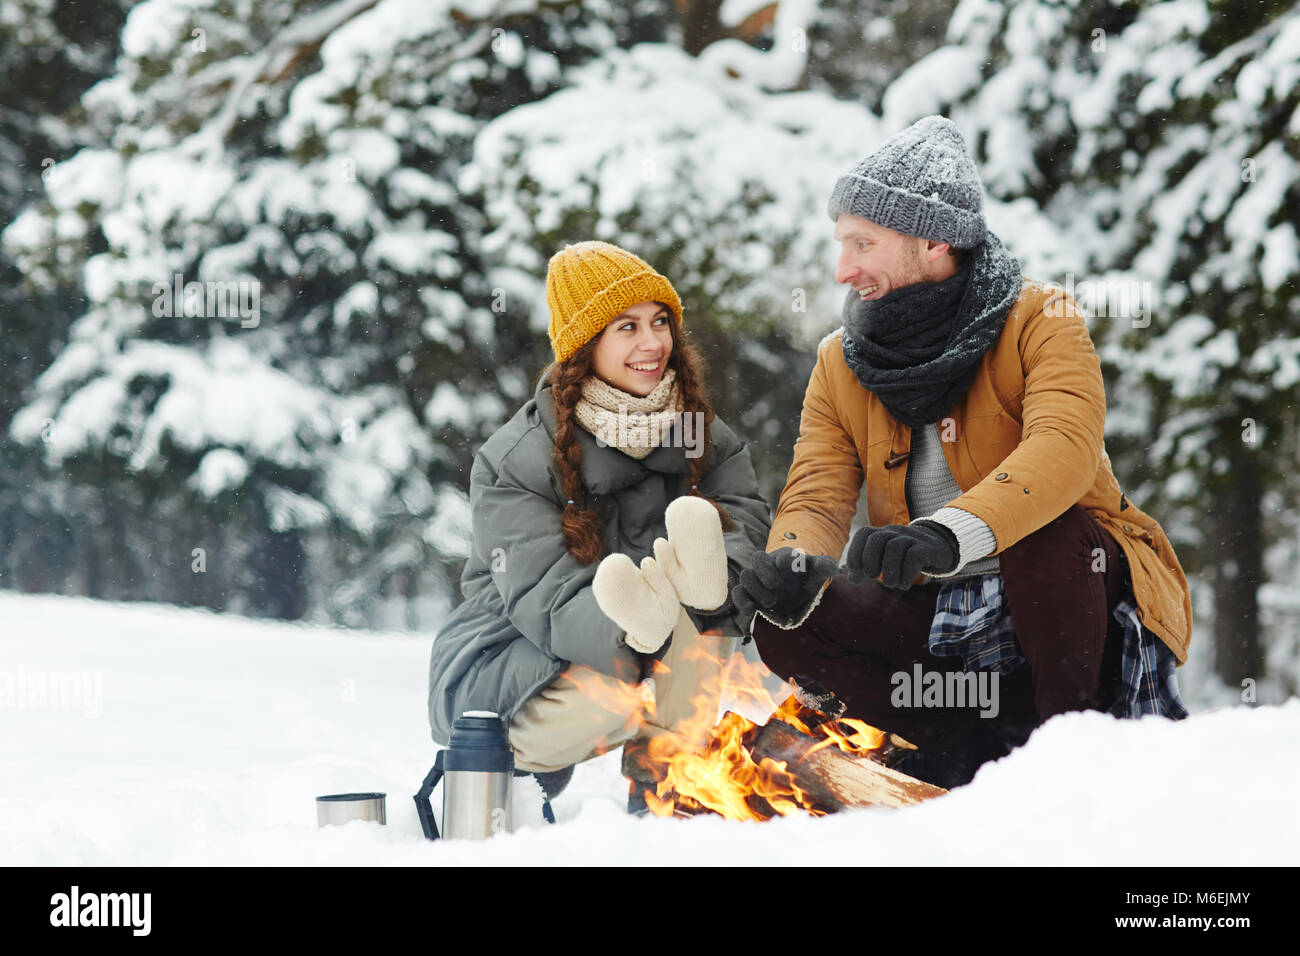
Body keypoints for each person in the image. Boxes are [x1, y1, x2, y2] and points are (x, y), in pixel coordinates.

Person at [732, 115, 1192, 790]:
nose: (843, 269)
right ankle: (957, 752)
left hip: (1066, 587)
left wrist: (951, 534)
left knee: (1051, 535)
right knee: (791, 618)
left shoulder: (1043, 319)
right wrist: (794, 558)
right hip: (933, 606)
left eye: (864, 243)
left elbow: (1063, 449)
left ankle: (1067, 755)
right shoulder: (839, 361)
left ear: (935, 240)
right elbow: (818, 488)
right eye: (841, 244)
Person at [427, 240, 771, 812]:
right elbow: (544, 593)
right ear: (587, 345)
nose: (652, 343)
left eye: (660, 322)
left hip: (647, 653)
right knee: (620, 697)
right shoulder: (515, 458)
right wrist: (635, 630)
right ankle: (511, 762)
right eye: (627, 327)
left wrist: (718, 577)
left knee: (702, 612)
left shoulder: (697, 431)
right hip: (514, 660)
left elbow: (745, 519)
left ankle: (669, 789)